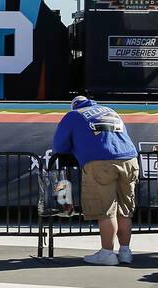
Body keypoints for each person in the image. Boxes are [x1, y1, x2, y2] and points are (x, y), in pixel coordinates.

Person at [52, 95, 140, 266]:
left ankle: (107, 253)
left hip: (100, 162)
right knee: (125, 210)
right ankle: (125, 252)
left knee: (105, 210)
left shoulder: (74, 115)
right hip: (130, 159)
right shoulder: (110, 110)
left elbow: (60, 146)